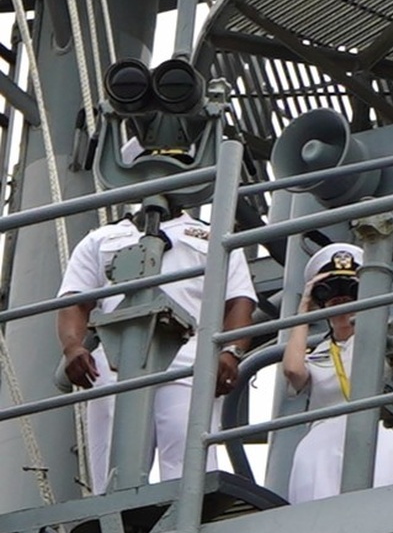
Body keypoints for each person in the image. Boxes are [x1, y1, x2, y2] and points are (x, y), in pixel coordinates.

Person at [56, 205, 256, 494]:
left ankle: (186, 521)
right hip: (115, 358)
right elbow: (73, 300)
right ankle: (116, 525)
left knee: (188, 454)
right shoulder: (101, 238)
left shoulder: (215, 237)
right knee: (112, 463)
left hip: (190, 355)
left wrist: (231, 351)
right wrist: (73, 347)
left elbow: (238, 301)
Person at [283, 242, 393, 504]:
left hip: (378, 432)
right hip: (322, 442)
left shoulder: (389, 338)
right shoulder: (317, 353)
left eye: (351, 295)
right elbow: (292, 369)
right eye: (333, 299)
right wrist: (304, 306)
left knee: (378, 510)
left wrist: (370, 298)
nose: (342, 305)